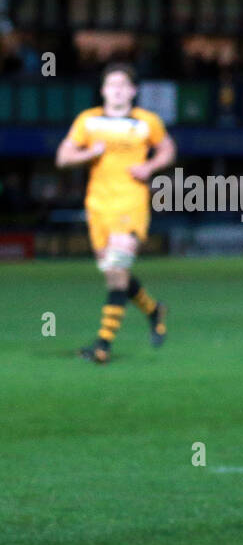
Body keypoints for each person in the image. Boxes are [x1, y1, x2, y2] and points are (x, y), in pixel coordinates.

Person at [56, 62, 175, 364]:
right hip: (98, 206)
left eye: (123, 85)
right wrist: (88, 154)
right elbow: (62, 157)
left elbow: (168, 149)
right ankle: (153, 310)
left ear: (133, 91)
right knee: (113, 272)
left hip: (130, 204)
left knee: (117, 269)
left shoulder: (146, 121)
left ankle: (102, 345)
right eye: (112, 85)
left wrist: (150, 166)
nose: (118, 90)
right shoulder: (89, 120)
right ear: (103, 90)